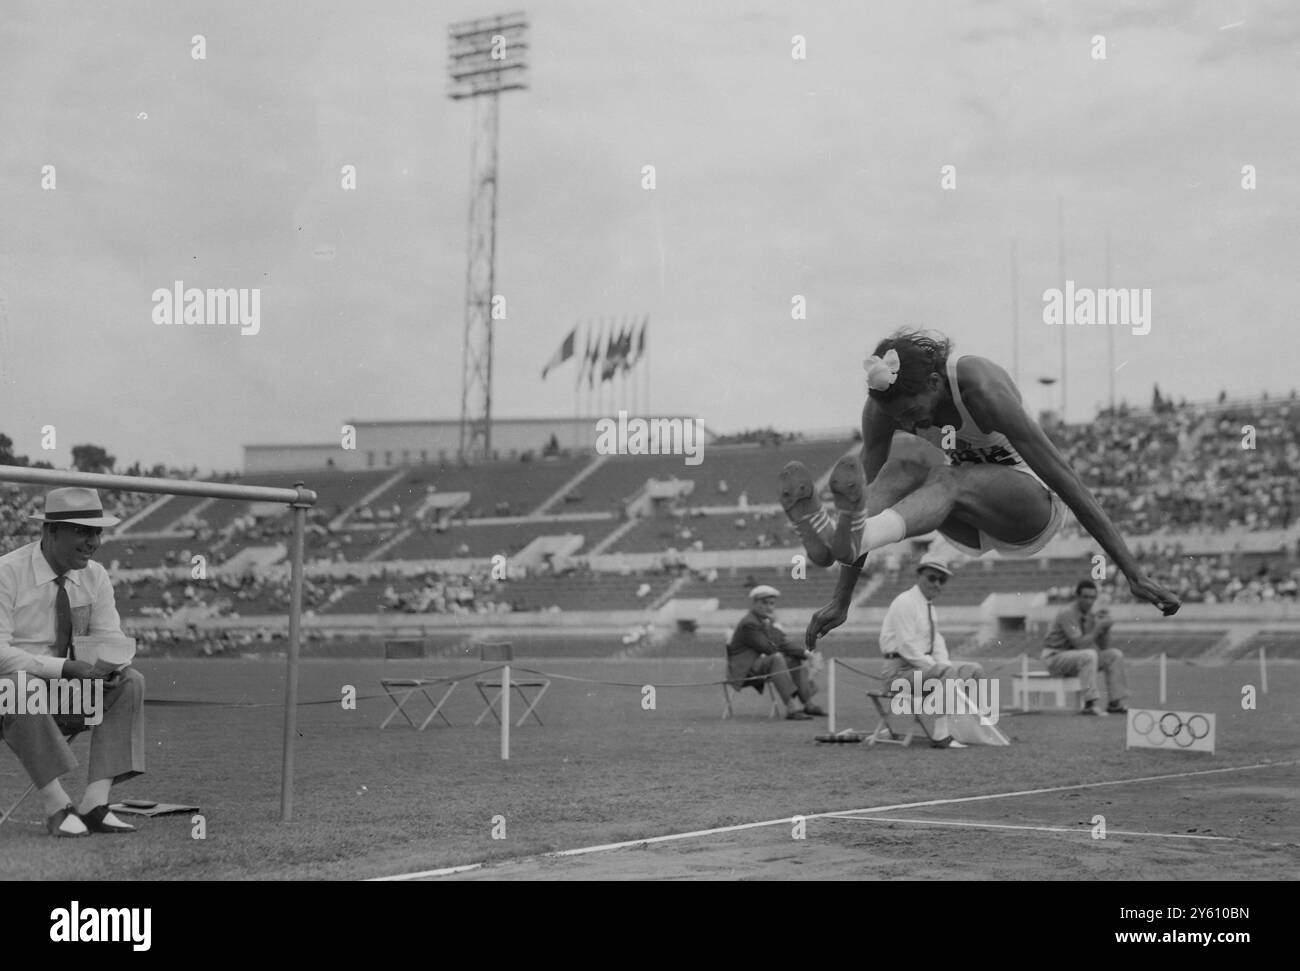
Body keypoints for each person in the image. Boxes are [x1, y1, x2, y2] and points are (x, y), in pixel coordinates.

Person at [781, 330, 1181, 649]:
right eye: (897, 418)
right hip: (966, 512)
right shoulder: (882, 410)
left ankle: (849, 537)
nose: (907, 423)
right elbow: (861, 501)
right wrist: (841, 600)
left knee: (947, 476)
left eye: (911, 412)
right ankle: (834, 538)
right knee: (905, 467)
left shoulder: (981, 389)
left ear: (936, 382)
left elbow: (1066, 479)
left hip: (1032, 508)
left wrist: (1133, 572)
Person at [0, 487, 145, 836]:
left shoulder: (95, 575)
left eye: (96, 532)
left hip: (62, 693)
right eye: (81, 530)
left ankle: (95, 804)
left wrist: (110, 666)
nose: (92, 541)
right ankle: (57, 806)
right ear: (49, 532)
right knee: (22, 685)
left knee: (131, 681)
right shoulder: (6, 572)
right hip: (10, 696)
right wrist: (65, 668)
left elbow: (109, 637)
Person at [879, 554, 984, 747]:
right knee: (945, 671)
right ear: (919, 576)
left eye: (942, 580)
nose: (937, 584)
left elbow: (937, 646)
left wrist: (947, 668)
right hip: (897, 675)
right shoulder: (905, 602)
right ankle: (941, 736)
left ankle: (961, 729)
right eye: (932, 578)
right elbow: (906, 647)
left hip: (919, 670)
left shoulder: (929, 608)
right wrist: (942, 670)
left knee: (973, 670)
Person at [727, 585, 826, 721]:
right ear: (755, 603)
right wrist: (777, 630)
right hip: (745, 670)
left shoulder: (767, 621)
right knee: (776, 658)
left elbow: (782, 643)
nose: (769, 607)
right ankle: (791, 708)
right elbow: (769, 648)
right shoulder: (749, 623)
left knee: (793, 660)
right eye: (764, 603)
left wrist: (807, 654)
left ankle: (808, 704)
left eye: (772, 603)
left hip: (760, 664)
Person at [1042, 579, 1129, 715]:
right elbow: (1080, 644)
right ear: (1077, 596)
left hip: (1076, 658)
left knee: (1114, 655)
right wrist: (1098, 627)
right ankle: (1089, 704)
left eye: (1092, 597)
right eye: (1085, 597)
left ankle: (1115, 703)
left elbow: (1103, 646)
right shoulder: (1067, 613)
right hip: (1055, 657)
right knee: (1088, 655)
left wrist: (1105, 628)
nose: (1089, 601)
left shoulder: (1090, 615)